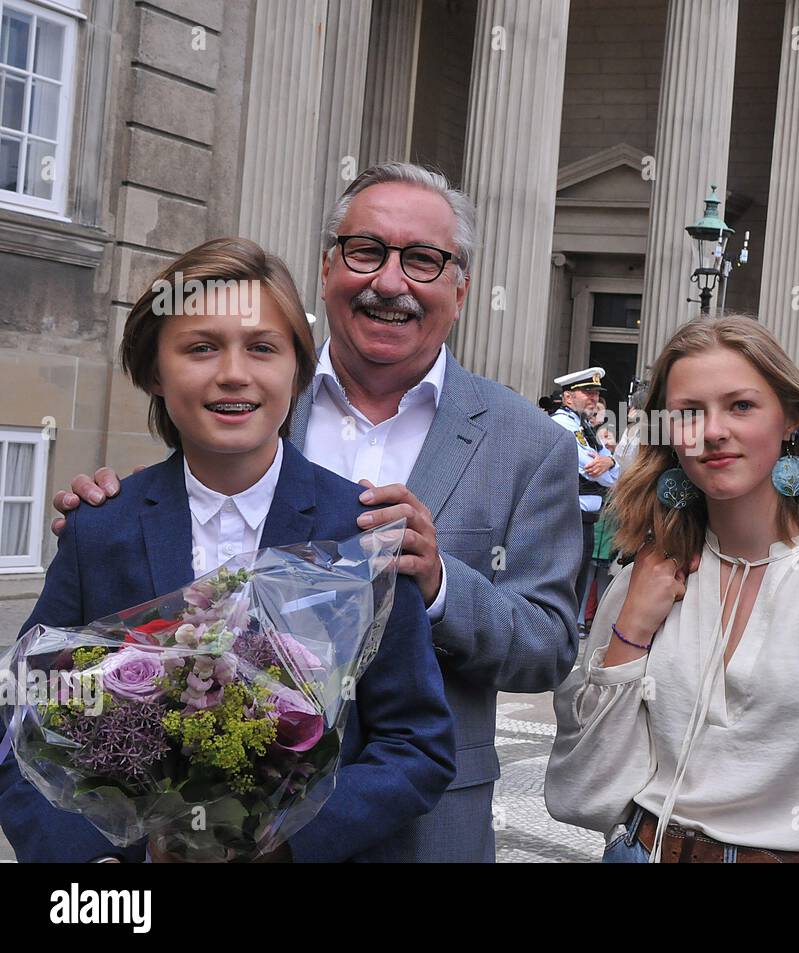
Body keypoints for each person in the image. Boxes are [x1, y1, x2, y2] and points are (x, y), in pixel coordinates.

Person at [49, 162, 582, 862]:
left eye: (423, 260)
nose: (390, 282)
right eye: (366, 251)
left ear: (461, 286)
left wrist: (439, 583)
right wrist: (104, 521)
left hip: (422, 830)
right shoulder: (250, 397)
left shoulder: (530, 443)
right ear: (329, 264)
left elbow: (547, 645)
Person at [0, 238, 457, 862]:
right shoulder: (100, 528)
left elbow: (415, 743)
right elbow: (21, 718)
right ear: (155, 371)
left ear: (297, 370)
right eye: (201, 347)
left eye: (262, 348)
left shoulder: (363, 529)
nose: (234, 373)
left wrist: (282, 845)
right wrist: (94, 865)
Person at [545, 315, 799, 863]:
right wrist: (631, 634)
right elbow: (581, 790)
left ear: (790, 418)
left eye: (741, 406)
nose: (713, 431)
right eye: (689, 412)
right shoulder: (645, 579)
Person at [552, 367, 621, 619]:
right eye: (587, 393)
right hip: (569, 520)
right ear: (568, 398)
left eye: (595, 393)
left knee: (577, 589)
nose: (594, 398)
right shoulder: (561, 424)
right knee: (567, 591)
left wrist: (611, 462)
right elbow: (592, 469)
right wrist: (607, 464)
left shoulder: (585, 428)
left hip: (585, 522)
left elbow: (614, 472)